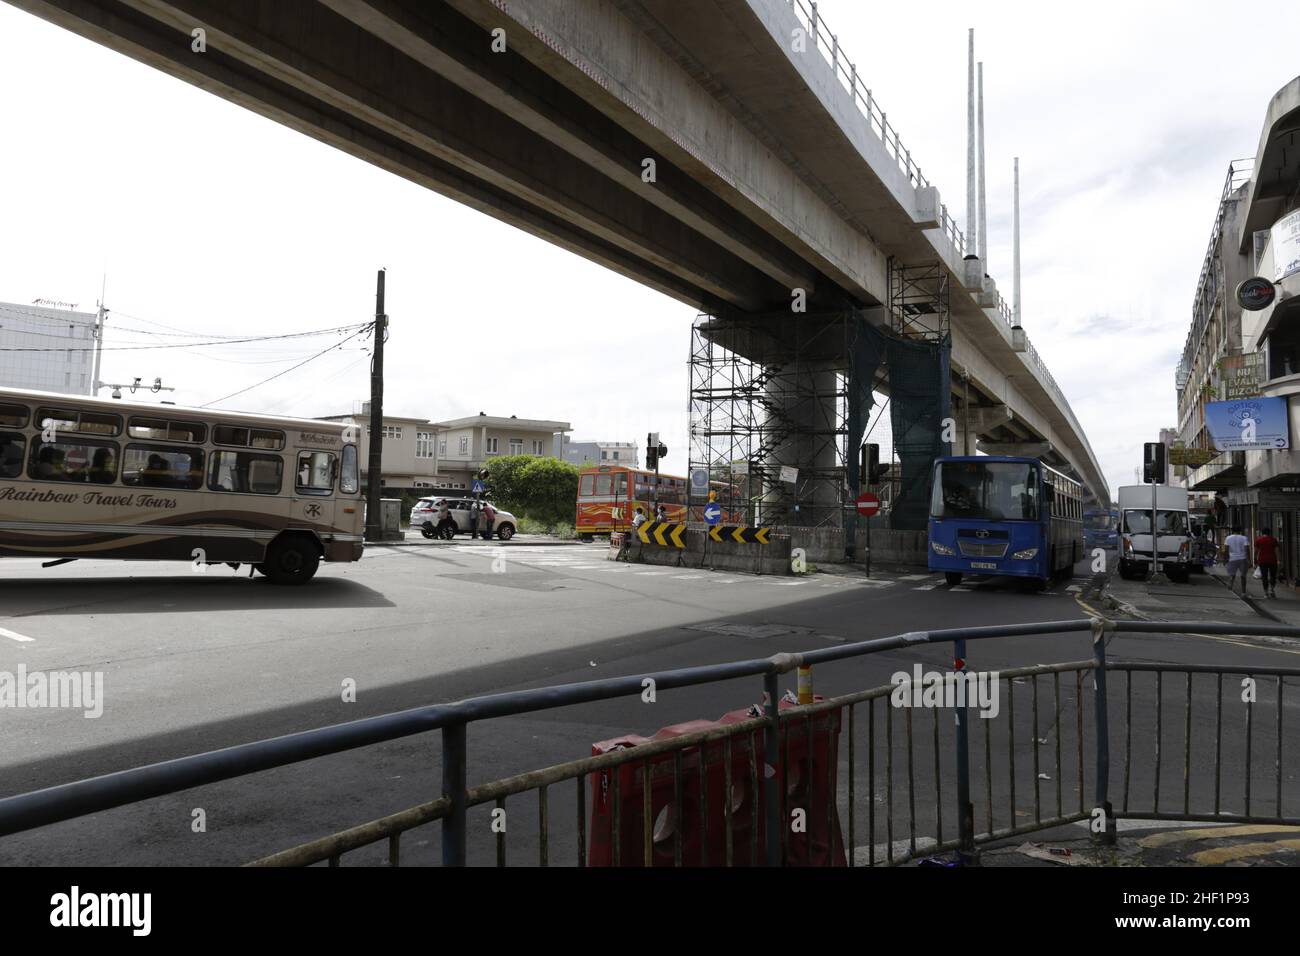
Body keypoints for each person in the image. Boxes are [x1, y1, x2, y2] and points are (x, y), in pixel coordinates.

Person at [1224, 526, 1251, 596]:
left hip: (1232, 558)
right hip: (1243, 558)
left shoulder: (1228, 538)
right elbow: (1247, 549)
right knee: (1243, 576)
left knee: (1232, 575)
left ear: (1232, 531)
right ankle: (1243, 592)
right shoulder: (1244, 538)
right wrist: (1249, 560)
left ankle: (1230, 586)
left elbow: (1226, 550)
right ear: (1240, 531)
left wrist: (1225, 559)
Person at [1255, 527, 1280, 599]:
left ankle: (1266, 593)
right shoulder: (1273, 540)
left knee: (1264, 576)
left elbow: (1256, 551)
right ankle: (1272, 590)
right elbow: (1277, 550)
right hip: (1272, 560)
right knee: (1273, 576)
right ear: (1270, 533)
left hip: (1262, 560)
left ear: (1262, 532)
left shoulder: (1259, 540)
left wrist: (1255, 560)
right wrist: (1278, 560)